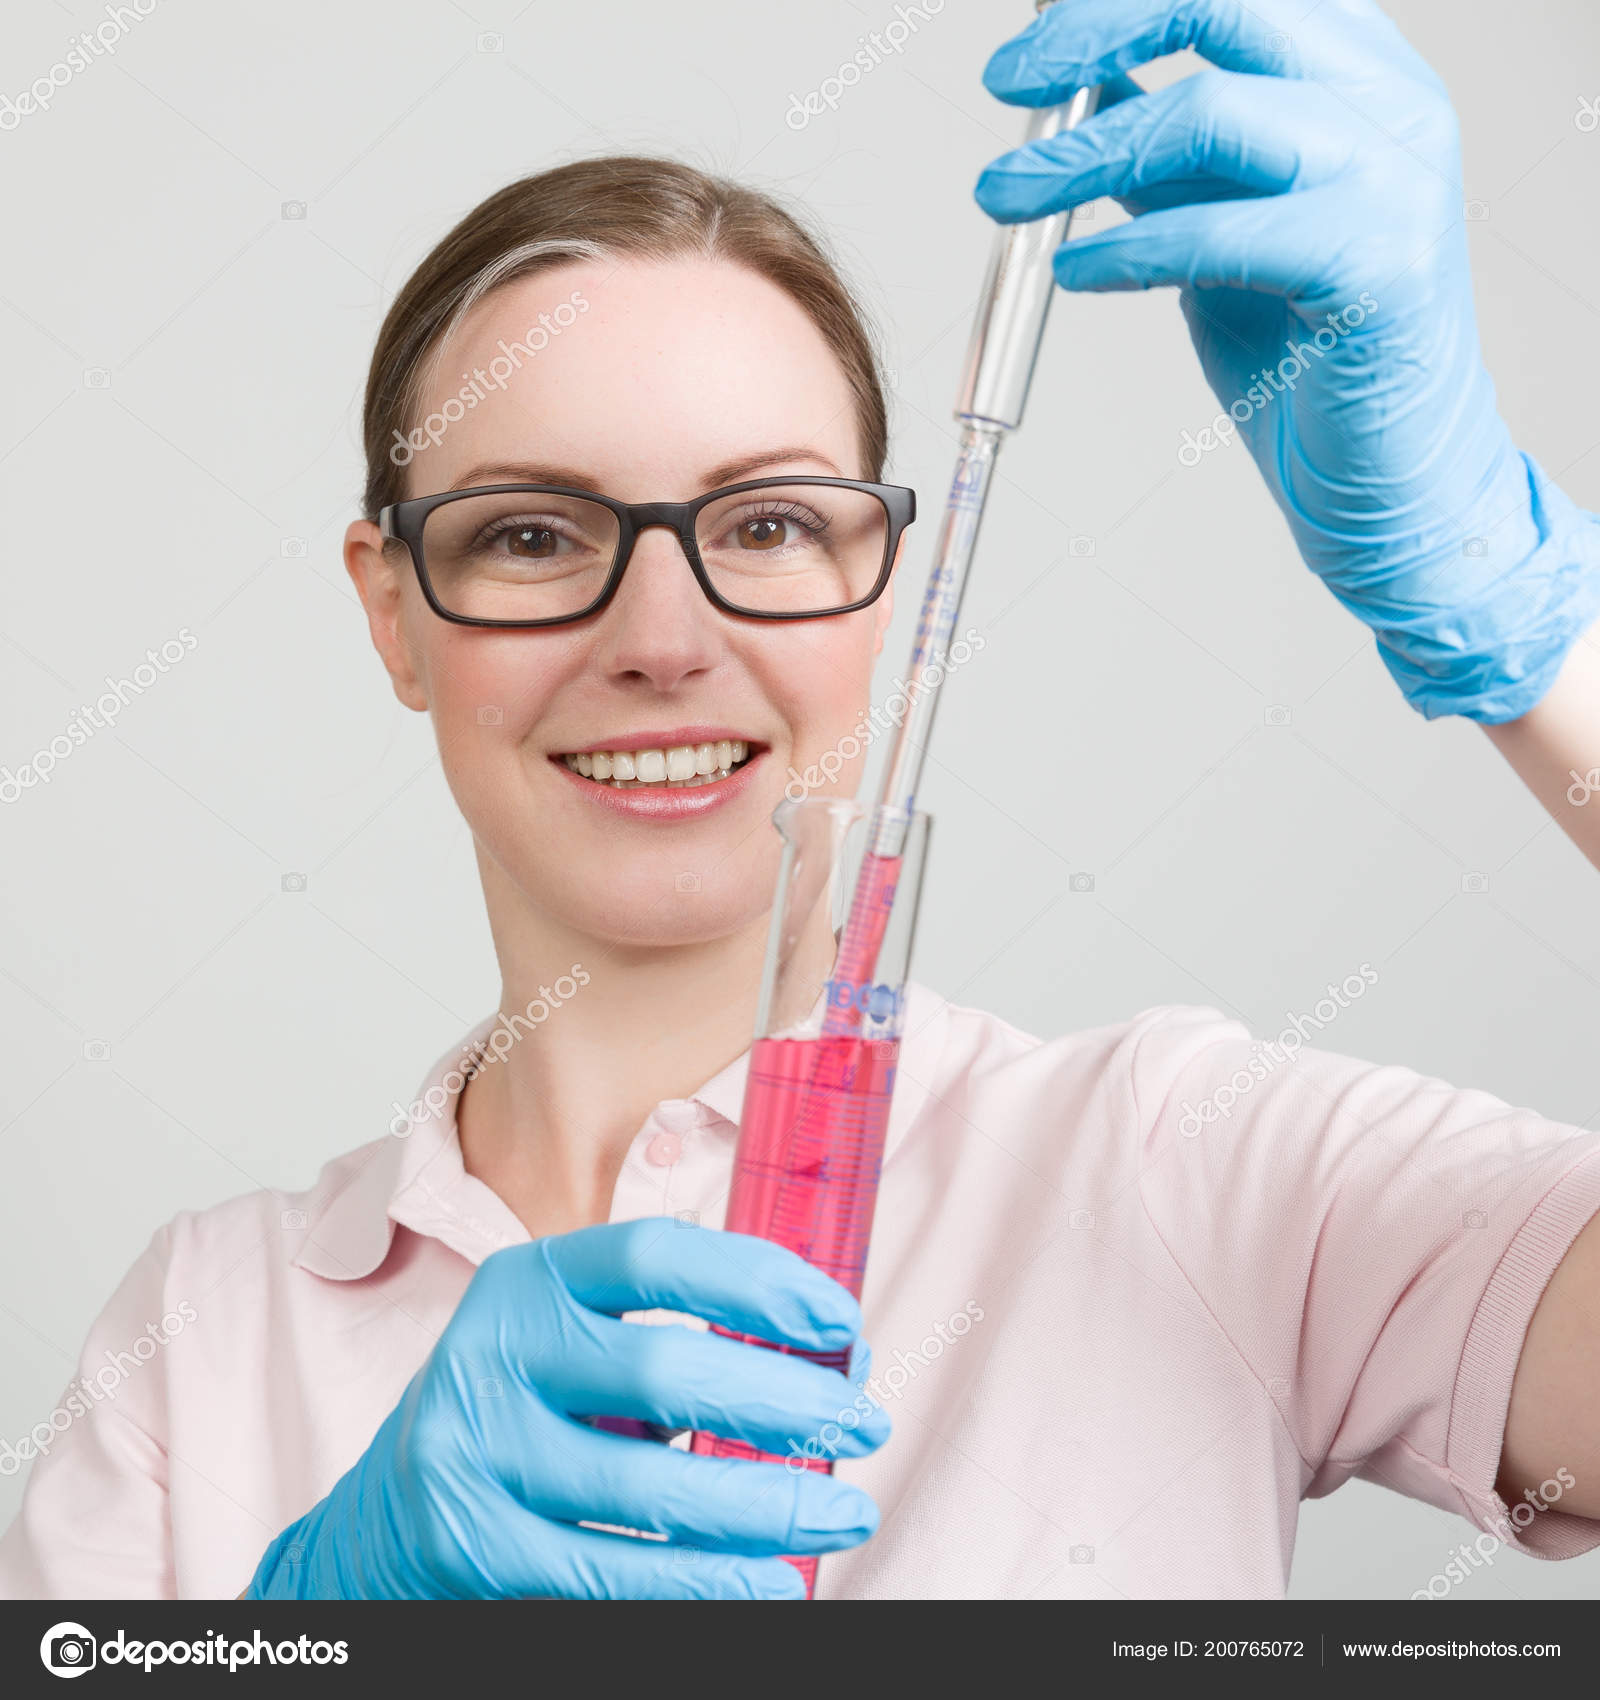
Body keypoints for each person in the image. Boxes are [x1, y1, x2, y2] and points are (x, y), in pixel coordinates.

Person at [4, 0, 1599, 1601]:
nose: (663, 641)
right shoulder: (204, 1336)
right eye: (535, 536)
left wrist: (1523, 625)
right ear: (393, 609)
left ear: (882, 587)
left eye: (766, 526)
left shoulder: (1179, 1170)